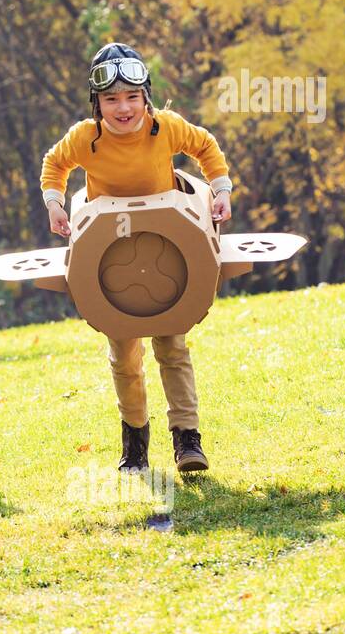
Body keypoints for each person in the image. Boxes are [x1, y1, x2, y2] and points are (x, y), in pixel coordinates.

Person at [40, 43, 234, 474]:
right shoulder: (84, 138)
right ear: (98, 104)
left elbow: (205, 146)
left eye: (132, 97)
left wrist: (221, 190)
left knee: (173, 347)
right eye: (111, 99)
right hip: (111, 260)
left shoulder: (165, 128)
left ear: (145, 96)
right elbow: (54, 164)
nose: (123, 108)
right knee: (125, 355)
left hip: (167, 253)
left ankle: (188, 440)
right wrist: (54, 204)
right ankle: (135, 445)